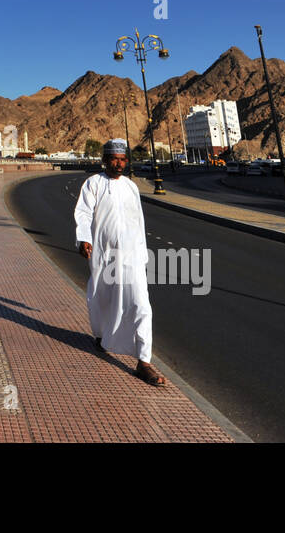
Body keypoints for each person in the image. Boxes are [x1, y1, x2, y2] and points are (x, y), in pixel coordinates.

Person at [73, 138, 166, 386]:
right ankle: (102, 336)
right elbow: (83, 213)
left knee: (141, 305)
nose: (119, 164)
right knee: (101, 297)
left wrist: (142, 253)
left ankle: (143, 361)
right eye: (114, 159)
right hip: (104, 255)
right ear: (104, 160)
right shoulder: (93, 184)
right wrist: (83, 239)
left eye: (123, 159)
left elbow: (139, 221)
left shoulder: (131, 187)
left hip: (132, 256)